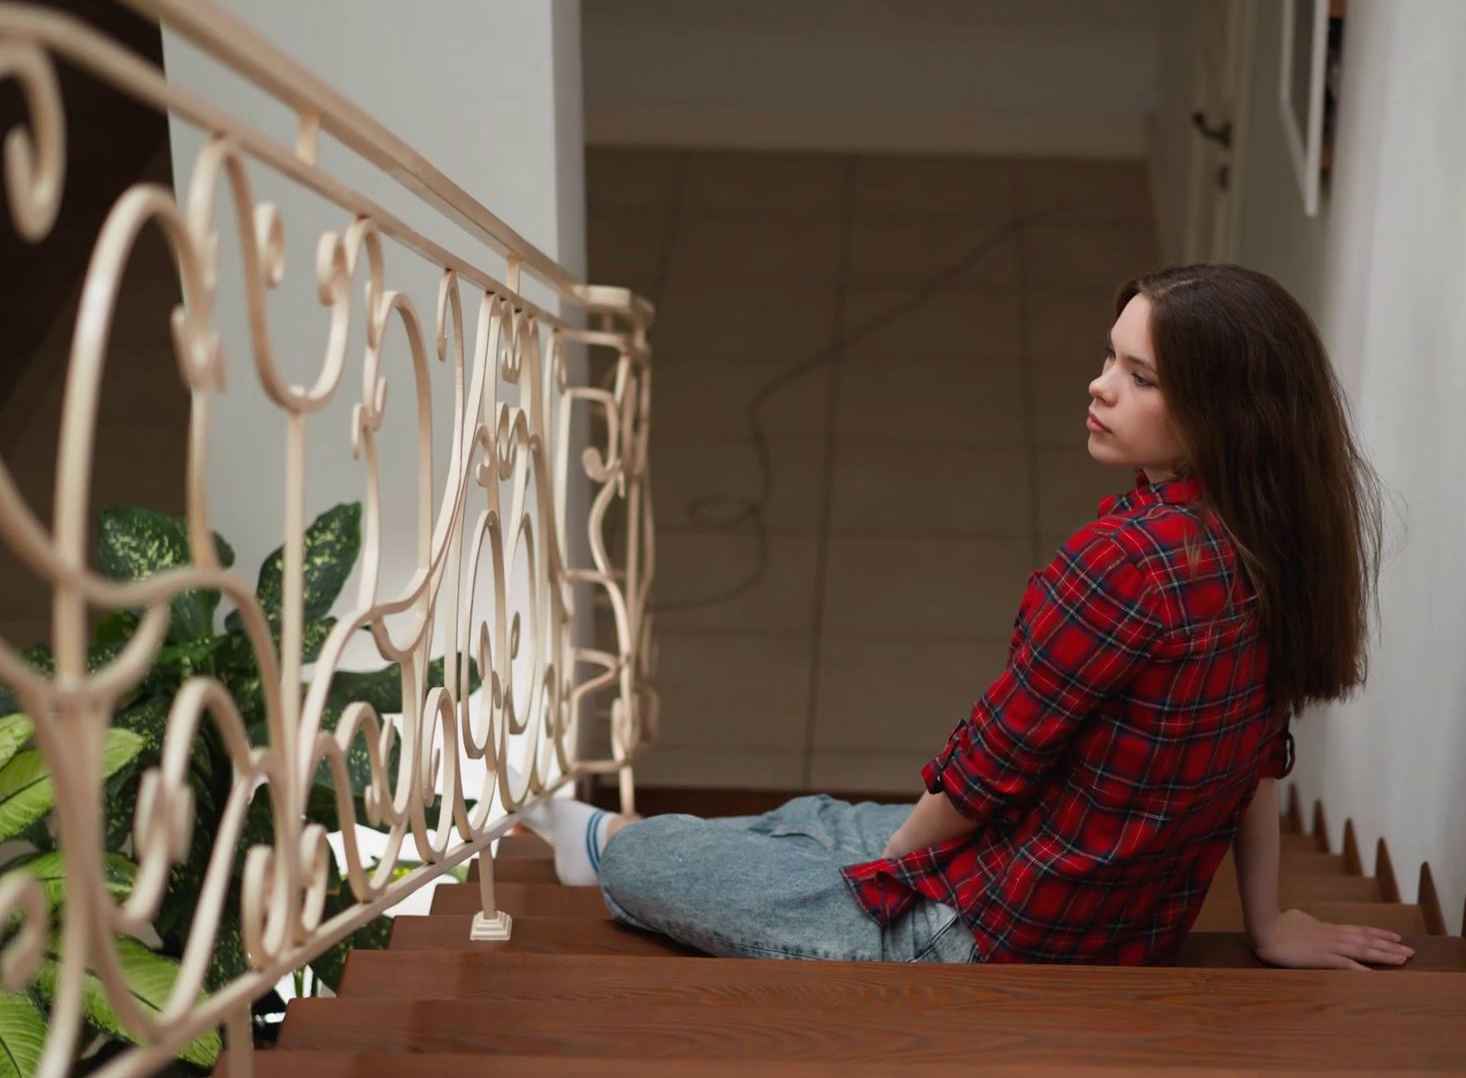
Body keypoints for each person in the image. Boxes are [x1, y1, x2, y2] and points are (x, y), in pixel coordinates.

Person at [519, 263, 1409, 969]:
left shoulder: (1126, 565)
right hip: (1119, 920)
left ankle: (609, 845)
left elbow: (987, 767)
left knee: (650, 872)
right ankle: (643, 837)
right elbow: (1256, 759)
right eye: (1110, 358)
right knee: (817, 814)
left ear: (1224, 414)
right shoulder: (1275, 542)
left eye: (1138, 378)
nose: (1098, 388)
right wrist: (1269, 924)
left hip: (999, 933)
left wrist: (889, 882)